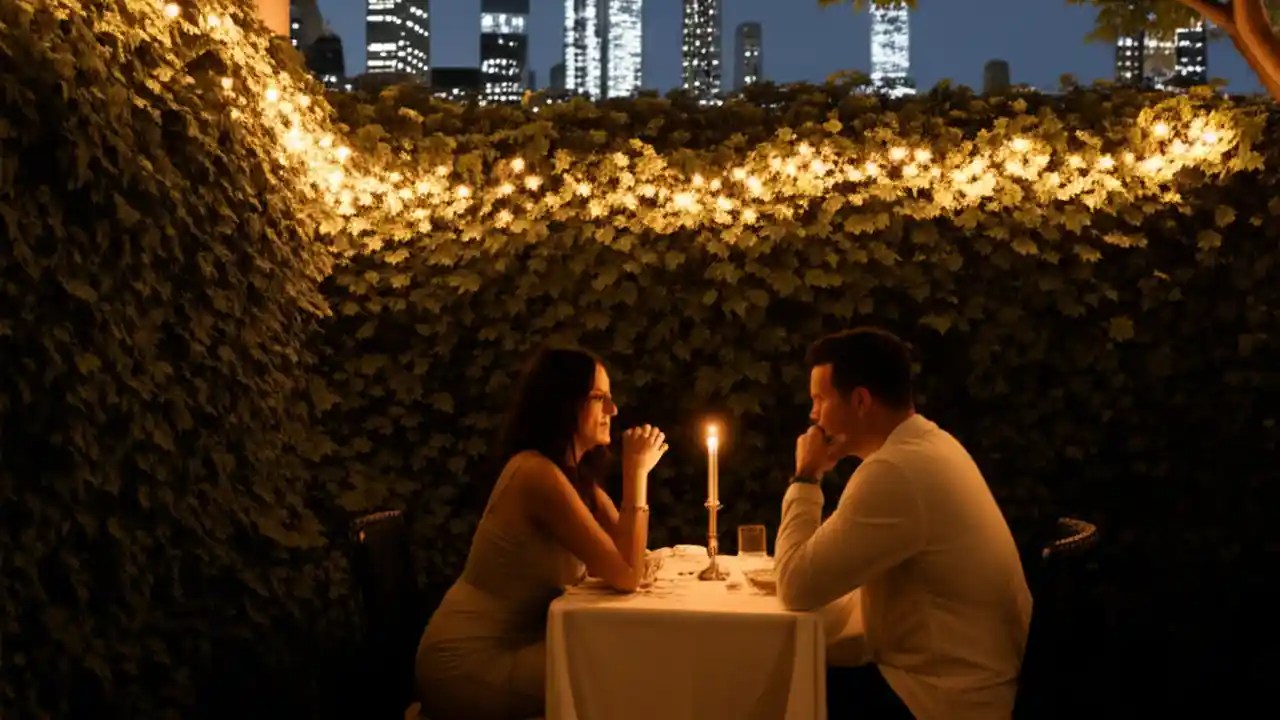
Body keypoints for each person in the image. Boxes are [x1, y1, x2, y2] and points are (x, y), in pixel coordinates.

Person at [774, 327, 1032, 720]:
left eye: (819, 400)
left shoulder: (895, 471)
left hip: (944, 698)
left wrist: (807, 476)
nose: (813, 415)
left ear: (860, 400)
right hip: (977, 678)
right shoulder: (930, 444)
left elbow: (796, 586)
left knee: (781, 690)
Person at [415, 346, 668, 720]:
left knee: (621, 656)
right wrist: (636, 475)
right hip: (469, 662)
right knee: (620, 665)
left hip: (519, 646)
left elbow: (627, 557)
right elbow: (628, 573)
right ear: (563, 404)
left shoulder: (576, 479)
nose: (612, 411)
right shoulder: (535, 474)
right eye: (599, 398)